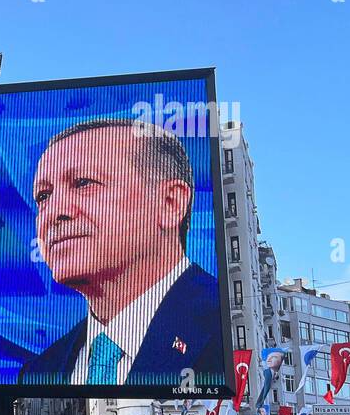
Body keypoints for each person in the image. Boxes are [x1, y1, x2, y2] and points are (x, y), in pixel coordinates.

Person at [18, 118, 224, 387]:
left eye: (83, 183)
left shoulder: (225, 325)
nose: (55, 212)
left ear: (170, 203)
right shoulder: (39, 372)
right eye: (44, 196)